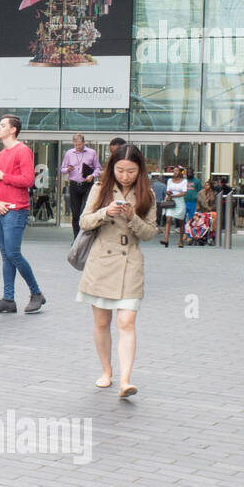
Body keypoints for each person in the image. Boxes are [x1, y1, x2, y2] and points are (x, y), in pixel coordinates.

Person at [76, 144, 157, 399]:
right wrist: (105, 212)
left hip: (130, 260)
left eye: (131, 171)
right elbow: (83, 221)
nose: (125, 176)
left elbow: (150, 233)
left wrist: (132, 217)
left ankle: (125, 380)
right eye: (120, 170)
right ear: (112, 168)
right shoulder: (100, 189)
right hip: (101, 260)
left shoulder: (148, 194)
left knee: (126, 321)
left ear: (139, 171)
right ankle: (106, 371)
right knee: (102, 322)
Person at [0, 114, 46, 314]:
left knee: (13, 253)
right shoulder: (0, 156)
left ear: (13, 130)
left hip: (16, 210)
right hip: (1, 209)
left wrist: (5, 176)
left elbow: (28, 180)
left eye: (3, 125)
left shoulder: (23, 151)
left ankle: (36, 293)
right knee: (6, 256)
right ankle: (8, 300)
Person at [59, 133, 102, 238]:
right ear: (73, 143)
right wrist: (67, 169)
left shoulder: (92, 153)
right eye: (76, 144)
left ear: (84, 142)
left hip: (87, 184)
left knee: (85, 210)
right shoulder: (69, 153)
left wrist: (92, 175)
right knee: (75, 213)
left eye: (79, 144)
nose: (78, 146)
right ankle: (76, 238)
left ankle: (85, 236)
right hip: (74, 185)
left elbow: (98, 168)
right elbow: (62, 169)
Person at [161, 165, 189, 248]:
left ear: (180, 172)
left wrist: (175, 196)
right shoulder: (169, 180)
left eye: (177, 171)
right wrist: (169, 194)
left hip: (180, 202)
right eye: (174, 171)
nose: (175, 172)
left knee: (180, 222)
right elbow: (168, 190)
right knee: (168, 219)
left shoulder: (184, 181)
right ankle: (166, 240)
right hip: (171, 202)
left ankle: (180, 241)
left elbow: (184, 192)